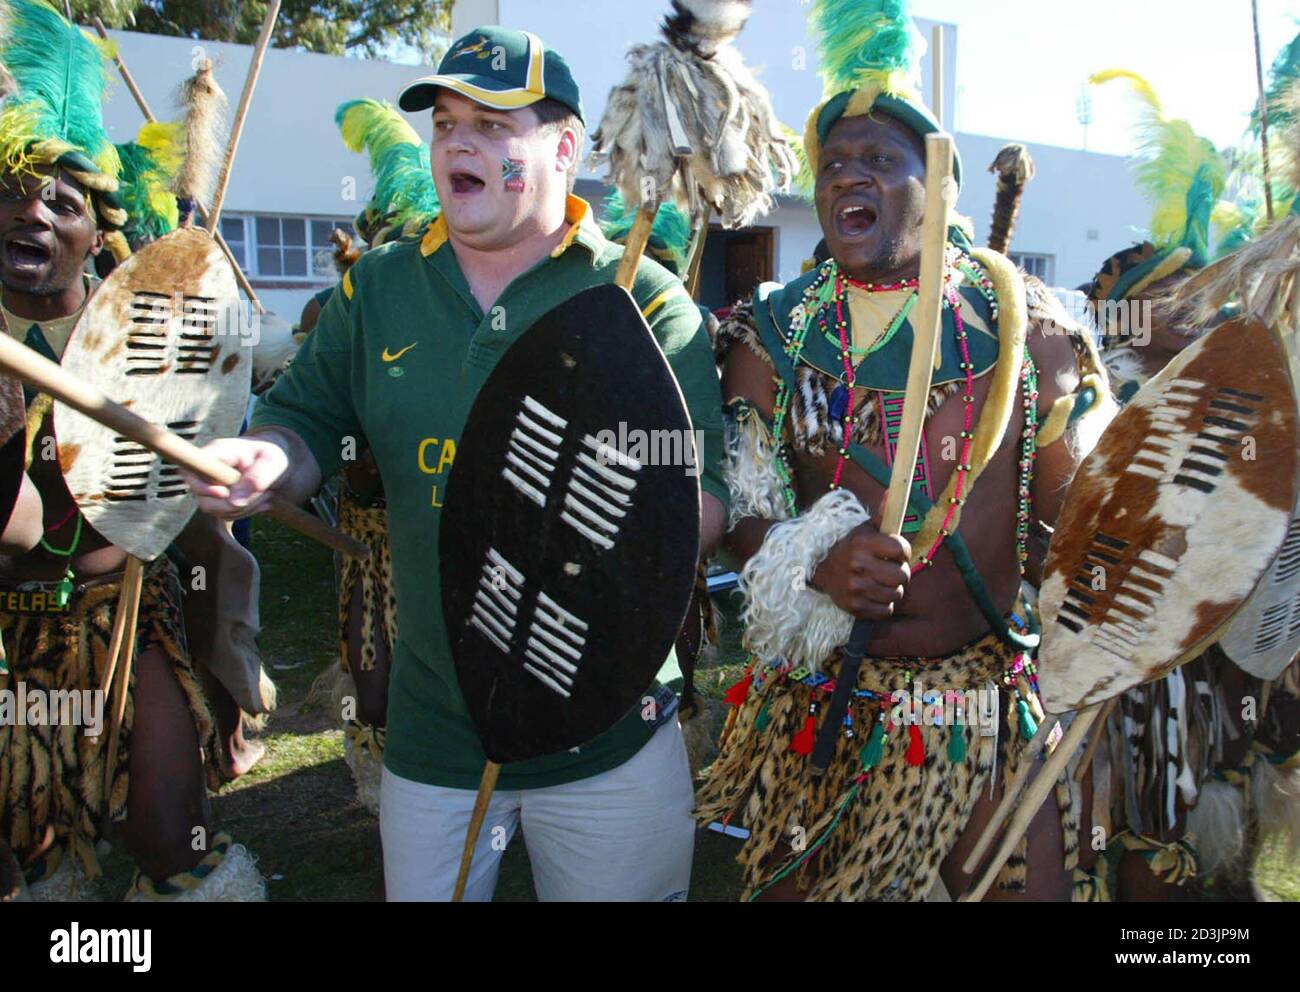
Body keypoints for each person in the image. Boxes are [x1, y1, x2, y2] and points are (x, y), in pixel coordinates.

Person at [185, 25, 728, 902]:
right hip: (435, 726)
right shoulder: (380, 288)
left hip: (608, 728)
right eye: (445, 124)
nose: (458, 144)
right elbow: (305, 423)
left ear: (562, 148)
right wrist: (264, 457)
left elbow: (703, 505)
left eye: (490, 123)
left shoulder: (641, 300)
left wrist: (583, 505)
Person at [691, 0, 1116, 901]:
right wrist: (816, 558)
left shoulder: (1026, 333)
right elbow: (740, 516)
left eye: (881, 160)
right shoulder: (771, 338)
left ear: (937, 185)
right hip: (826, 704)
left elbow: (1072, 527)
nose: (850, 174)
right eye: (835, 162)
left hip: (978, 706)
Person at [0, 0, 263, 901]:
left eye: (59, 200)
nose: (30, 215)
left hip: (128, 608)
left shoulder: (140, 328)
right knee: (40, 849)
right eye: (8, 194)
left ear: (95, 222)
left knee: (168, 831)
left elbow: (201, 449)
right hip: (10, 635)